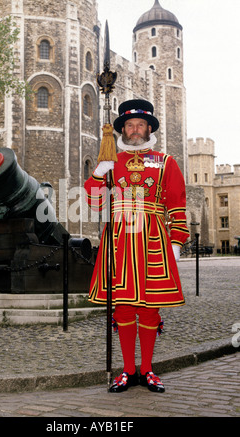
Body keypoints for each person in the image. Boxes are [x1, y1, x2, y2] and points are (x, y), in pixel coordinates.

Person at [84, 99, 189, 393]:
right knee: (124, 308)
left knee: (151, 309)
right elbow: (95, 204)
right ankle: (128, 370)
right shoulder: (111, 161)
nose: (134, 130)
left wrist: (177, 241)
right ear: (122, 130)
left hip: (153, 239)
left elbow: (177, 205)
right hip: (118, 240)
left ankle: (148, 370)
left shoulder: (165, 161)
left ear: (149, 128)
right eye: (129, 125)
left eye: (140, 124)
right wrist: (96, 174)